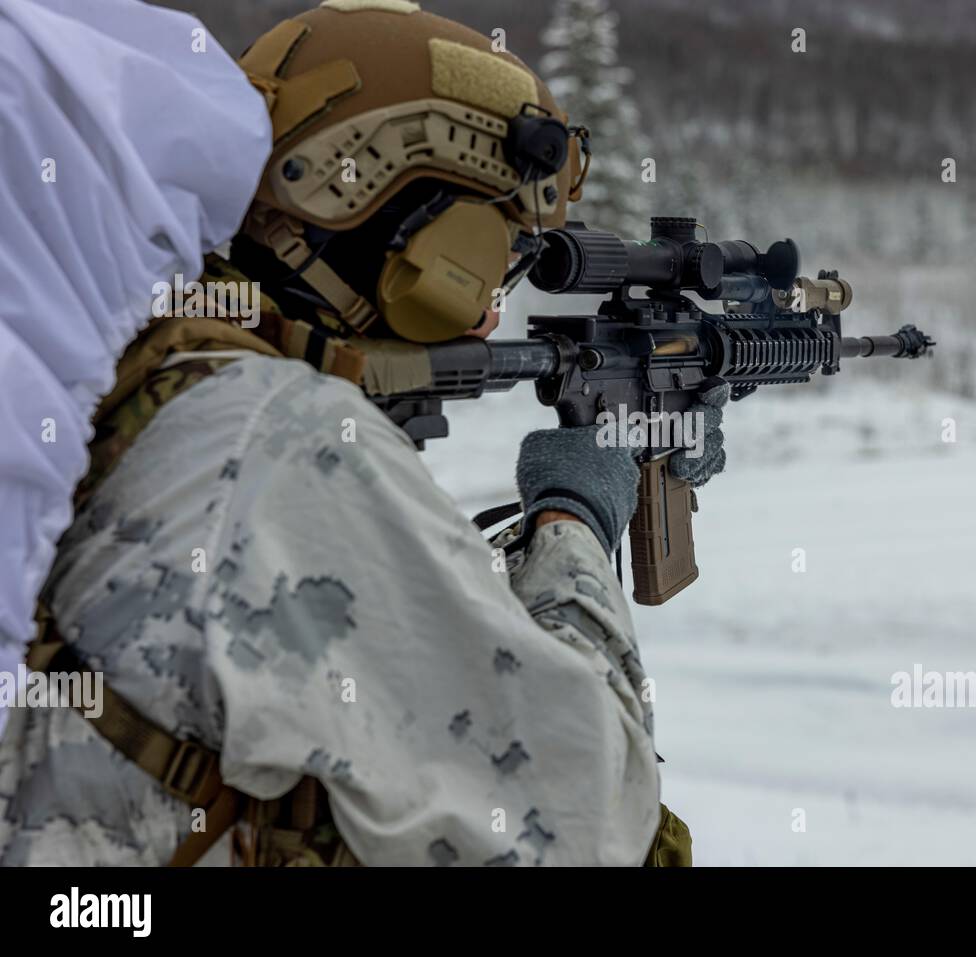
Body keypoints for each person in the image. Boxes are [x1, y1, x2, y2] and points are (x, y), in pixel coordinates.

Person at [0, 0, 720, 866]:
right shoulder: (280, 441)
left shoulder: (125, 358)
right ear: (383, 196)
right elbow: (593, 823)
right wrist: (574, 525)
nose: (494, 306)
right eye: (502, 249)